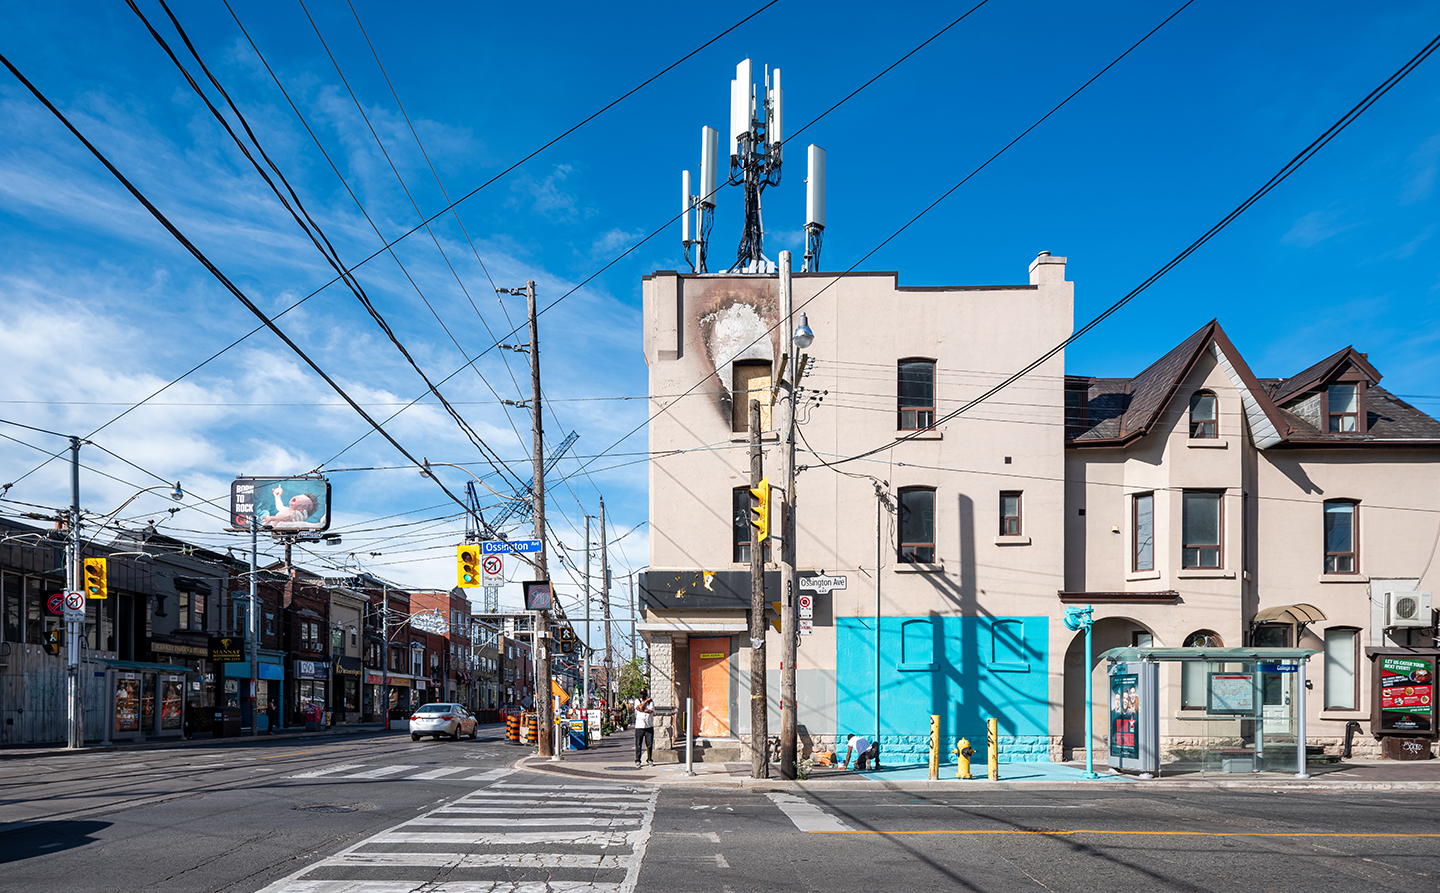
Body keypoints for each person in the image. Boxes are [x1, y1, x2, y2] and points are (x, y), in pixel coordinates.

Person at [633, 688, 654, 766]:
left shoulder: (651, 702)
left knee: (649, 744)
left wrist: (642, 709)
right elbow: (639, 708)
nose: (642, 695)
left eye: (643, 693)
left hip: (649, 725)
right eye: (641, 693)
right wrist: (645, 702)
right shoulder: (637, 701)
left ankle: (649, 759)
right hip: (639, 726)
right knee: (638, 744)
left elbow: (650, 710)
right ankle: (637, 760)